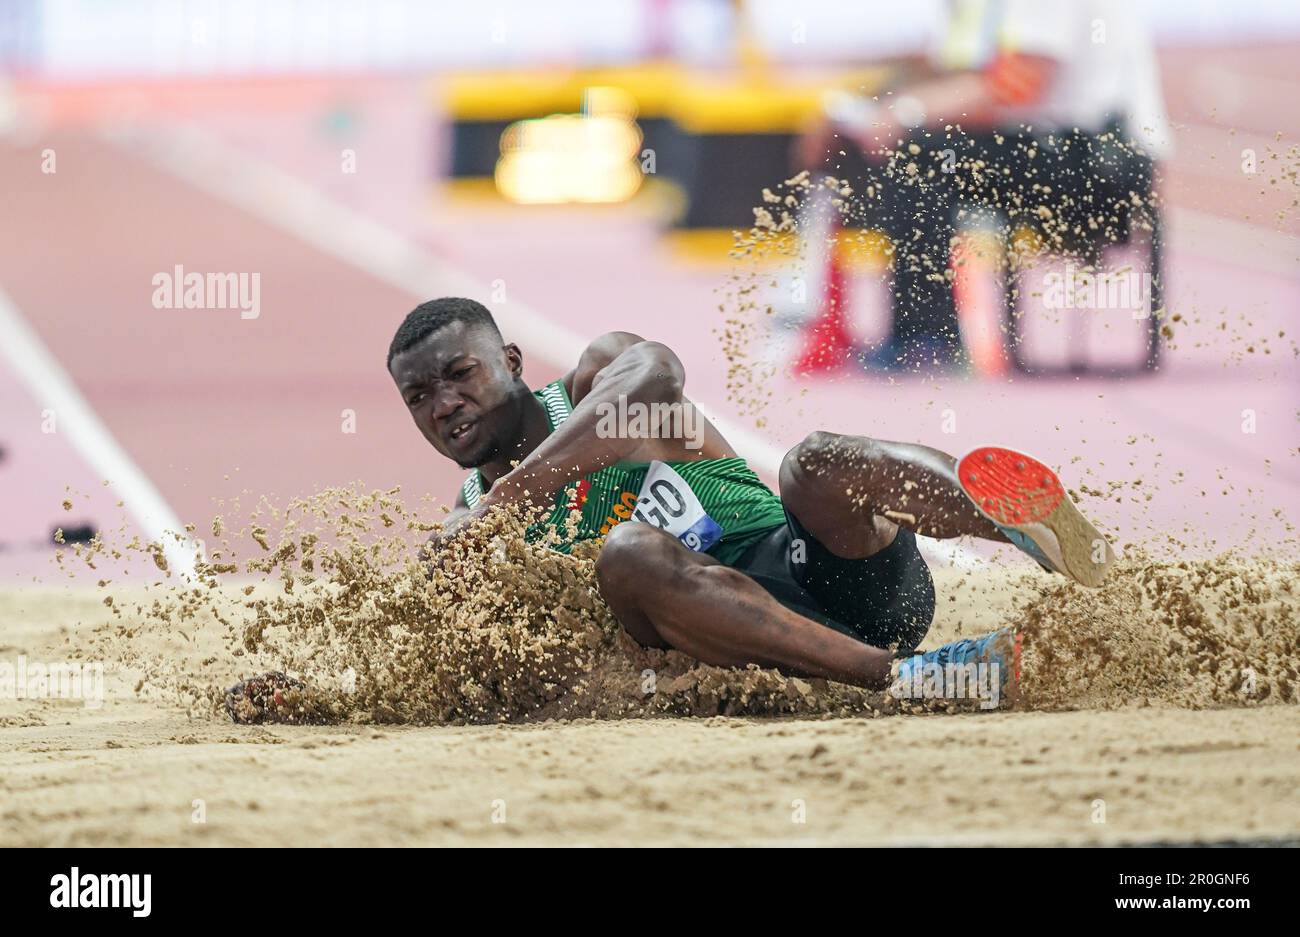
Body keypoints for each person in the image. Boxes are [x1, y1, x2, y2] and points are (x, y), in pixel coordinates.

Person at [382, 297, 1114, 706]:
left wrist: (513, 496)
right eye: (420, 396)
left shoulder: (595, 380)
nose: (445, 404)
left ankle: (1018, 521)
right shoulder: (468, 534)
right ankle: (909, 679)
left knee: (812, 461)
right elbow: (447, 674)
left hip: (830, 573)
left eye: (459, 374)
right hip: (747, 644)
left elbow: (657, 376)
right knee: (629, 552)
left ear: (509, 362)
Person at [796, 0, 1171, 371]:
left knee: (916, 155)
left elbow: (1017, 85)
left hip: (1097, 163)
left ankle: (926, 337)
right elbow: (956, 72)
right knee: (913, 144)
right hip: (1074, 147)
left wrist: (900, 114)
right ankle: (895, 327)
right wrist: (864, 105)